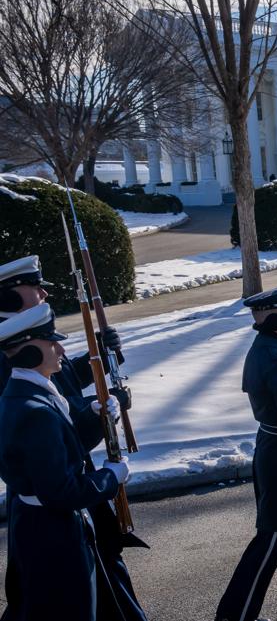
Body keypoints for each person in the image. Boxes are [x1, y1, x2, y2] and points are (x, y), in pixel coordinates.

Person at [0, 256, 147, 621]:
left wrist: (100, 353)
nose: (43, 291)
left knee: (97, 577)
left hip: (67, 487)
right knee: (58, 596)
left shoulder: (27, 342)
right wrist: (99, 424)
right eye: (34, 286)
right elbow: (45, 430)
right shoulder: (15, 352)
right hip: (55, 496)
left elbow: (60, 384)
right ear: (10, 296)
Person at [215, 286, 277, 621]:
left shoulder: (271, 348)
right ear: (276, 315)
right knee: (272, 541)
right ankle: (236, 615)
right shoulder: (276, 357)